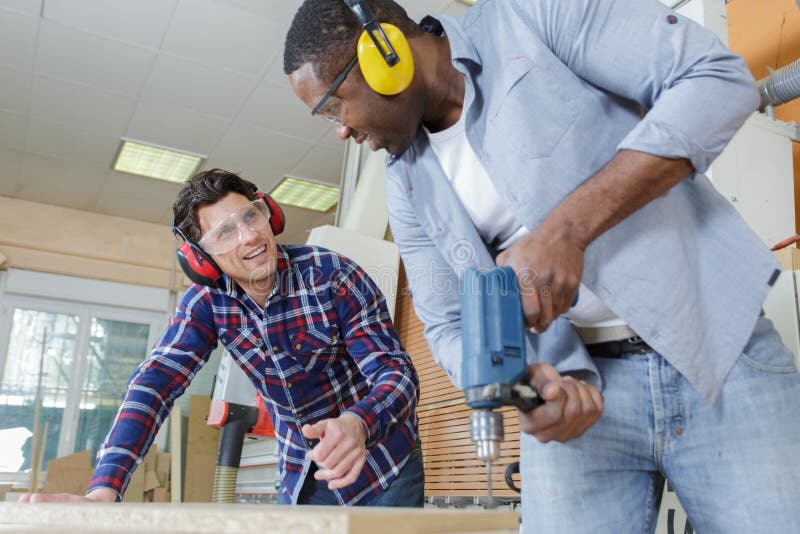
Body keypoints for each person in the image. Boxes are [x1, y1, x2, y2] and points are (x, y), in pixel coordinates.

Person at [284, 0, 800, 532]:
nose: (340, 132)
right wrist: (519, 383)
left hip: (716, 345)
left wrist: (568, 230)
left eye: (332, 105)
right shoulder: (406, 183)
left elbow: (716, 80)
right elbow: (445, 324)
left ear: (383, 53)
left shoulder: (529, 16)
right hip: (578, 401)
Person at [22, 169, 422, 507]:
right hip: (303, 475)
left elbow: (396, 372)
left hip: (383, 465)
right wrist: (104, 490)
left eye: (251, 217)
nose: (248, 237)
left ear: (270, 215)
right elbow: (154, 384)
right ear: (201, 258)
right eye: (225, 233)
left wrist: (359, 422)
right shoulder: (207, 303)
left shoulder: (333, 275)